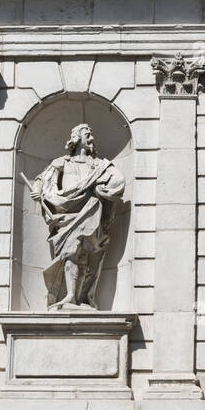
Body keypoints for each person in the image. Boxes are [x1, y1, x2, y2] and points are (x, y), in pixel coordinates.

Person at [30, 123, 125, 310]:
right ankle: (71, 295)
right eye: (87, 134)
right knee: (70, 251)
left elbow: (118, 182)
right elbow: (43, 178)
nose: (91, 138)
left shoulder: (100, 165)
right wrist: (37, 189)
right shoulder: (63, 161)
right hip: (67, 213)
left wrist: (101, 188)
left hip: (92, 210)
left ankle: (83, 296)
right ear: (76, 138)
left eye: (91, 135)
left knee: (87, 253)